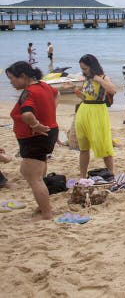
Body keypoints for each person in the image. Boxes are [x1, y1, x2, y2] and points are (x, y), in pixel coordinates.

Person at [5, 61, 59, 220]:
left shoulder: (28, 93)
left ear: (22, 76)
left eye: (12, 78)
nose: (11, 82)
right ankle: (43, 206)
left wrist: (35, 124)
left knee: (31, 175)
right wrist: (48, 114)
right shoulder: (44, 85)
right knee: (36, 174)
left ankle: (46, 213)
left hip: (35, 138)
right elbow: (57, 94)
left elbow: (26, 114)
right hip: (48, 132)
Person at [74, 54, 116, 178]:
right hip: (84, 110)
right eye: (82, 69)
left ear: (92, 67)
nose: (84, 71)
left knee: (104, 145)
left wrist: (98, 79)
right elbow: (86, 97)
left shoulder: (103, 77)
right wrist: (78, 93)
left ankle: (111, 174)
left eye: (85, 69)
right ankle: (82, 176)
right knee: (83, 147)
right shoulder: (86, 79)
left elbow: (112, 90)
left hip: (98, 112)